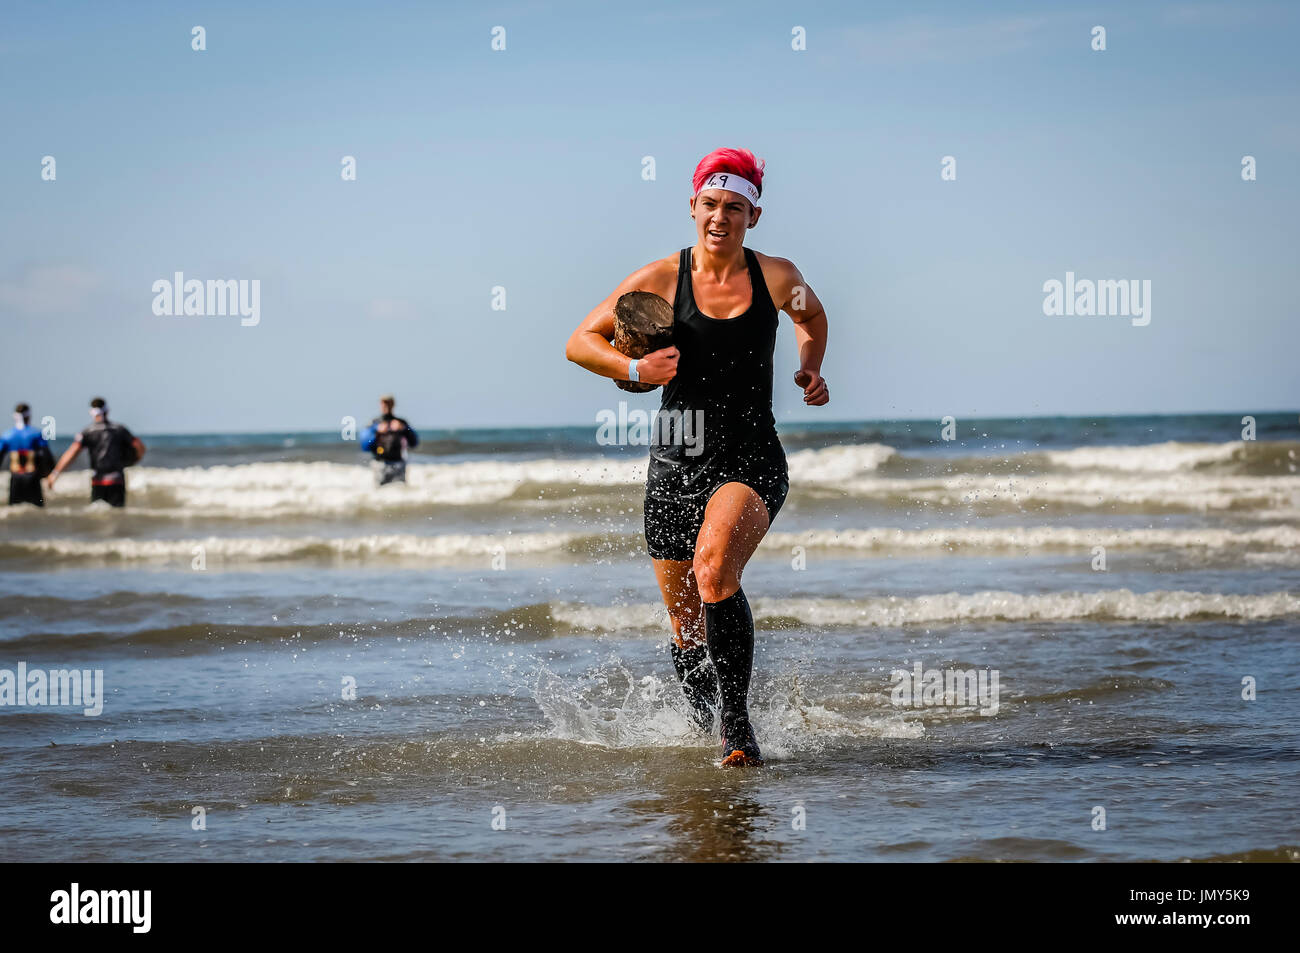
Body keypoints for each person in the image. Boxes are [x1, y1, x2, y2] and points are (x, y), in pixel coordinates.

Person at [565, 147, 830, 766]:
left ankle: (738, 732)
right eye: (710, 204)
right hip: (676, 456)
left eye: (734, 207)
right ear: (693, 208)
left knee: (714, 570)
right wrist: (633, 366)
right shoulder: (660, 277)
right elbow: (580, 341)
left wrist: (810, 366)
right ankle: (705, 728)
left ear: (753, 216)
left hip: (751, 453)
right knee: (686, 626)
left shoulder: (777, 277)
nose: (720, 217)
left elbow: (811, 315)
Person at [47, 398, 146, 507]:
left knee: (98, 514)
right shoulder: (120, 429)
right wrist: (134, 460)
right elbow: (140, 447)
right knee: (117, 516)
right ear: (107, 411)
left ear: (92, 413)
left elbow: (72, 453)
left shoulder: (88, 432)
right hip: (117, 480)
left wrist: (55, 473)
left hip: (98, 480)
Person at [0, 403, 54, 507]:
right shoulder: (36, 434)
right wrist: (49, 474)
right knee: (37, 510)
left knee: (14, 510)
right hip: (32, 477)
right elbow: (47, 456)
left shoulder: (7, 435)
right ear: (29, 416)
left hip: (16, 478)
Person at [360, 395, 419, 485]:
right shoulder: (374, 423)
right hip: (380, 464)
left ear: (393, 405)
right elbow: (365, 446)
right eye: (384, 403)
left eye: (389, 403)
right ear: (380, 404)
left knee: (399, 491)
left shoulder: (401, 422)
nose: (386, 406)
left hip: (398, 464)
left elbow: (414, 442)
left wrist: (404, 428)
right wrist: (377, 432)